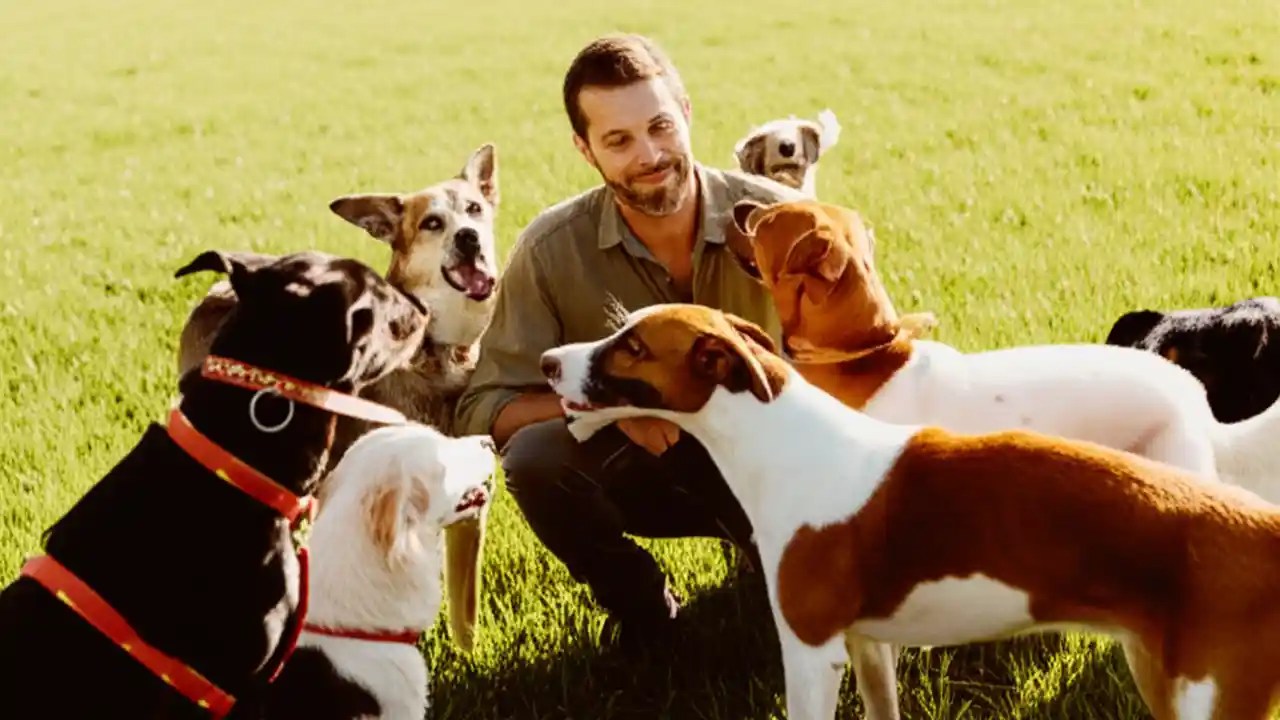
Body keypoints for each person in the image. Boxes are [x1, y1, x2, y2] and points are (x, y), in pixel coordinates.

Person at [453, 32, 806, 655]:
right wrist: (615, 407)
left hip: (783, 462)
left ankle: (780, 559)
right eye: (618, 141)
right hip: (650, 465)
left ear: (688, 114)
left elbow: (864, 360)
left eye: (661, 126)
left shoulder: (781, 217)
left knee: (793, 609)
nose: (649, 154)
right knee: (536, 458)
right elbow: (483, 407)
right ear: (585, 150)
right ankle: (647, 614)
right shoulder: (551, 249)